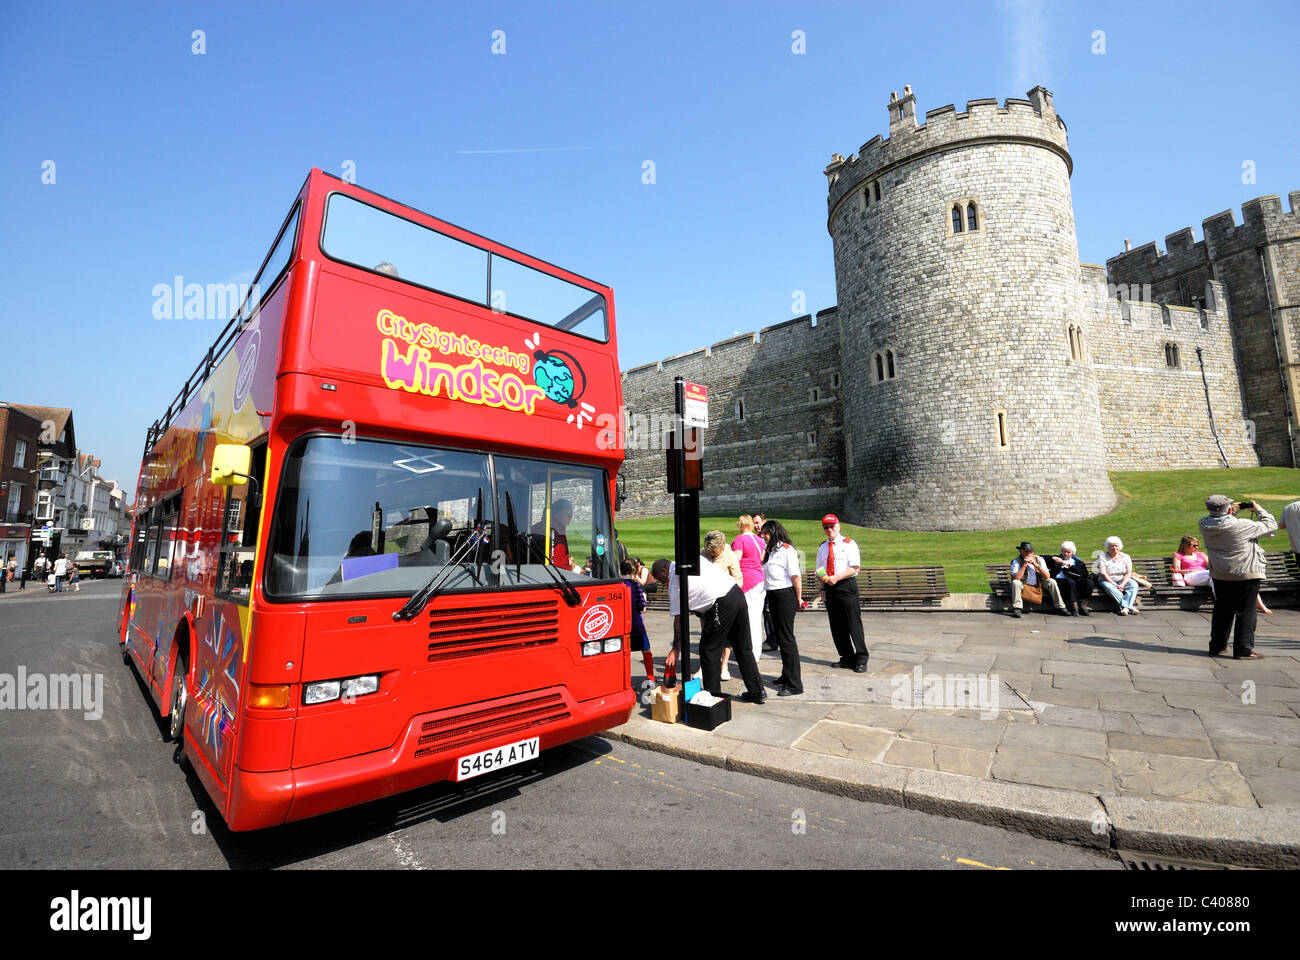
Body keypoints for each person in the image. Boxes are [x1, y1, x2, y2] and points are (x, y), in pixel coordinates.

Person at [651, 556, 765, 703]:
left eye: (661, 579)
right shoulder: (694, 560)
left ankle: (712, 697)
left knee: (708, 650)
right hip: (736, 593)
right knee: (743, 647)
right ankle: (757, 691)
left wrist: (675, 649)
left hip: (721, 602)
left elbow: (679, 619)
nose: (663, 583)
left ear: (664, 570)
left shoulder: (674, 580)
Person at [1200, 495, 1276, 659]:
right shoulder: (1243, 525)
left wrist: (1230, 512)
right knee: (1246, 612)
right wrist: (1258, 510)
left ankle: (1217, 646)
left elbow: (1222, 524)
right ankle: (1243, 650)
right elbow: (1271, 525)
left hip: (1220, 573)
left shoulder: (1204, 524)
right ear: (1227, 509)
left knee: (1222, 611)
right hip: (1245, 572)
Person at [816, 514, 868, 672]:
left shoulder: (849, 544)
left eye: (832, 526)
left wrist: (836, 577)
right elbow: (819, 569)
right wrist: (822, 588)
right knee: (837, 626)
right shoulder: (823, 547)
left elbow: (854, 567)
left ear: (838, 525)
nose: (829, 529)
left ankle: (861, 659)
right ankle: (846, 657)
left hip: (846, 585)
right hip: (830, 588)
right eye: (826, 527)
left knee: (853, 623)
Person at [761, 519, 805, 696]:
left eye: (766, 533)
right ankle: (787, 674)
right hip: (773, 595)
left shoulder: (787, 550)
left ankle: (795, 684)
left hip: (785, 595)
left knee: (787, 638)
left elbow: (795, 576)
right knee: (780, 637)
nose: (763, 536)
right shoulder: (770, 551)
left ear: (774, 532)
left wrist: (799, 598)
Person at [703, 529, 744, 681]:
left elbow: (738, 579)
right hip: (707, 602)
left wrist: (730, 599)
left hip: (725, 602)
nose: (712, 554)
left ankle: (724, 666)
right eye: (710, 551)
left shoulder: (729, 555)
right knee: (707, 633)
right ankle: (705, 666)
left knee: (726, 635)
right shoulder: (703, 554)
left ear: (722, 546)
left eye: (715, 551)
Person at [731, 515, 767, 665]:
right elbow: (761, 559)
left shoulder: (740, 539)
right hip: (759, 578)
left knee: (747, 618)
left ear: (740, 524)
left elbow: (735, 559)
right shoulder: (759, 540)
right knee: (756, 618)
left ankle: (749, 653)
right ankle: (755, 652)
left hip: (747, 580)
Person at [1010, 541, 1068, 617]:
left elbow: (1047, 576)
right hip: (1024, 584)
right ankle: (1017, 608)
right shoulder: (1016, 561)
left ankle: (1060, 607)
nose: (1028, 554)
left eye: (1030, 551)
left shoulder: (1039, 559)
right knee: (1015, 583)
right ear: (1021, 551)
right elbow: (1017, 578)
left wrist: (1035, 565)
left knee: (1052, 581)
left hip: (1039, 583)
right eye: (1026, 551)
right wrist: (1024, 565)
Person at [622, 559, 656, 684]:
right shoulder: (635, 585)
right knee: (646, 650)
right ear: (634, 571)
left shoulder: (618, 585)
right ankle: (650, 677)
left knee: (624, 654)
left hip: (622, 626)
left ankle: (625, 680)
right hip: (636, 625)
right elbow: (642, 605)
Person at [1094, 536, 1139, 615]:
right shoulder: (1102, 556)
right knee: (1109, 587)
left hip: (1122, 579)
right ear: (1107, 547)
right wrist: (1114, 584)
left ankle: (1125, 608)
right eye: (1111, 546)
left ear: (1120, 546)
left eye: (1116, 545)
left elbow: (1128, 572)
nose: (1114, 548)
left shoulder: (1126, 557)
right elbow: (1103, 573)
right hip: (1107, 580)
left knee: (1134, 584)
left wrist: (1122, 584)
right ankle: (1129, 606)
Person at [1047, 541, 1092, 616]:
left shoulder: (1077, 562)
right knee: (1070, 582)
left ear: (1072, 552)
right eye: (1064, 551)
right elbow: (1043, 559)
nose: (1066, 554)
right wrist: (1056, 561)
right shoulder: (1057, 560)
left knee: (1089, 582)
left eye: (1069, 552)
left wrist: (1072, 567)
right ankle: (1074, 606)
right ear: (1062, 551)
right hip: (1060, 581)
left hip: (1075, 581)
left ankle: (1083, 604)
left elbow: (1084, 574)